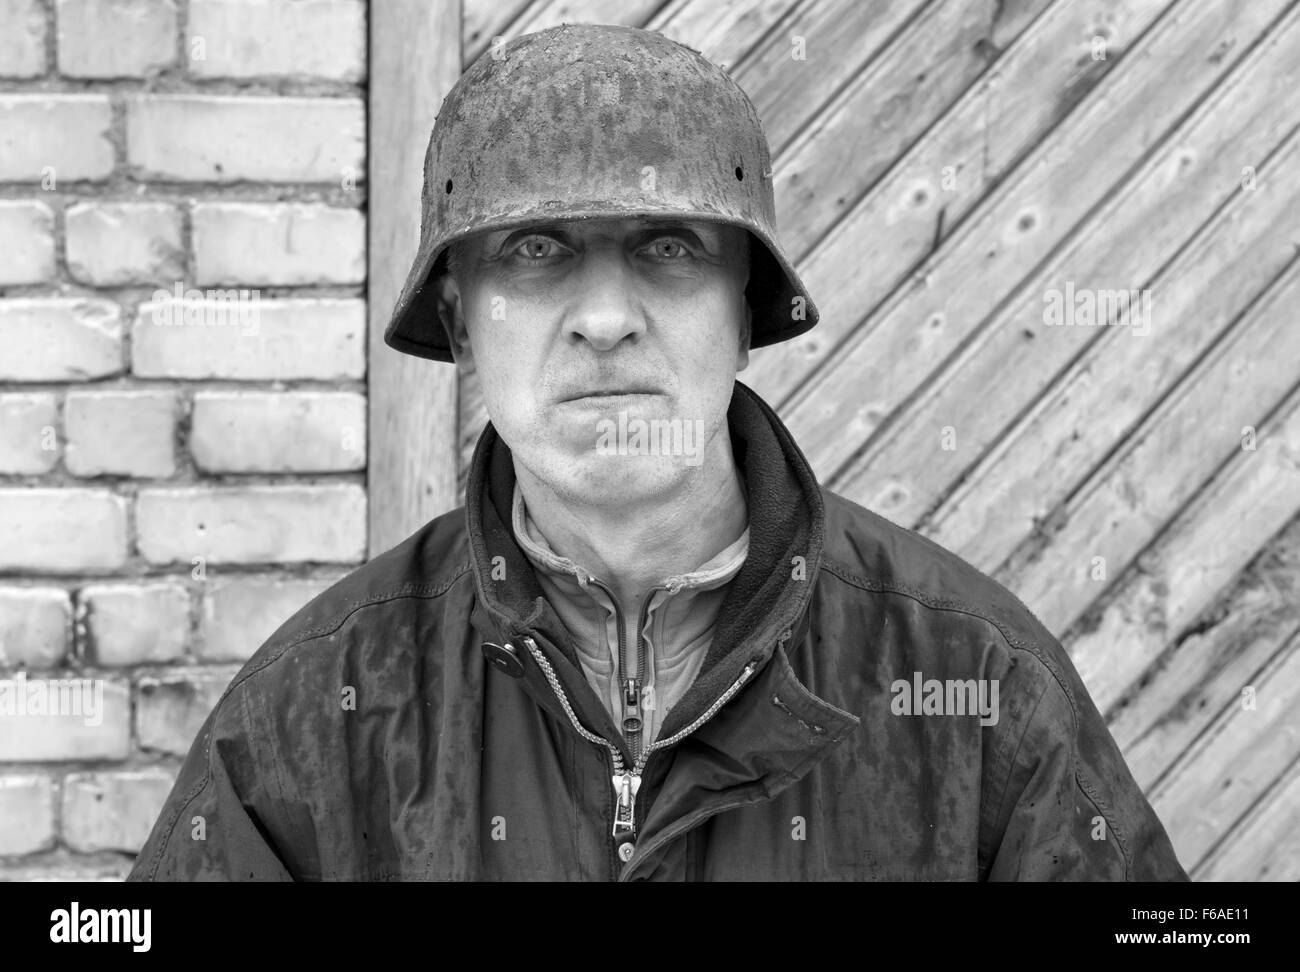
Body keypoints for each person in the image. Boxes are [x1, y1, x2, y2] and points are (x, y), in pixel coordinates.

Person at [129, 23, 1188, 881]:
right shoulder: (320, 708)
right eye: (534, 251)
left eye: (667, 247)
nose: (603, 317)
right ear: (459, 323)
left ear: (743, 312)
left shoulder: (972, 683)